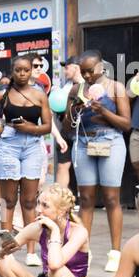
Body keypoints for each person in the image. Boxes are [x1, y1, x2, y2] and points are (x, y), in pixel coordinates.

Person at [0, 55, 52, 267]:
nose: (21, 74)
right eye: (18, 70)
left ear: (31, 72)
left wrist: (31, 128)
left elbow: (47, 126)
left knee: (29, 201)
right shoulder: (3, 94)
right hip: (9, 144)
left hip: (32, 145)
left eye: (26, 70)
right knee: (9, 201)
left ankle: (30, 251)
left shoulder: (39, 95)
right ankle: (7, 249)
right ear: (12, 71)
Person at [71, 51, 131, 272]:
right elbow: (68, 127)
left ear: (101, 67)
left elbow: (126, 124)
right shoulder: (76, 89)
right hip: (84, 142)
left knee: (111, 198)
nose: (86, 75)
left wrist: (103, 110)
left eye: (90, 70)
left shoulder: (116, 88)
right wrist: (73, 110)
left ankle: (115, 252)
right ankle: (83, 249)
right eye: (83, 71)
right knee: (85, 198)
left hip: (111, 141)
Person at [48, 57, 81, 194]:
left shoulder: (88, 85)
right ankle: (59, 200)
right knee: (63, 165)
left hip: (82, 132)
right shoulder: (64, 86)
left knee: (83, 168)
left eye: (67, 67)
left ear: (76, 67)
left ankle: (82, 200)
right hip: (64, 131)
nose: (65, 71)